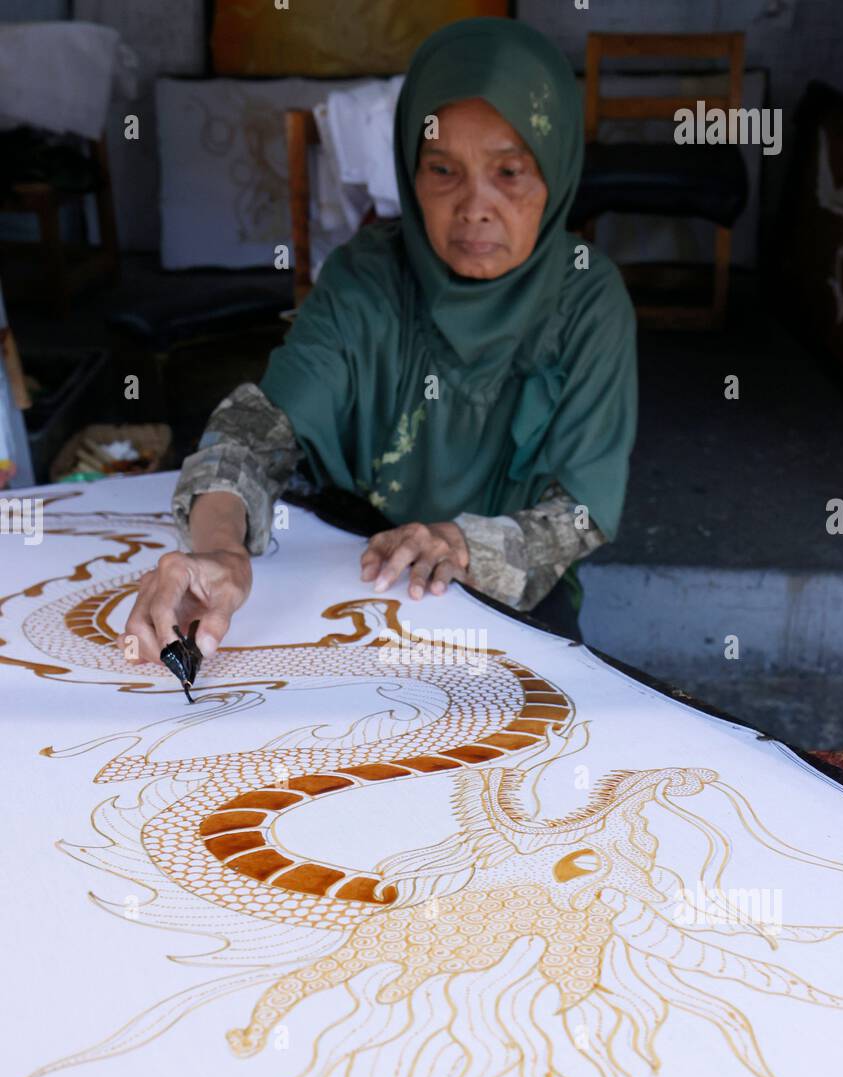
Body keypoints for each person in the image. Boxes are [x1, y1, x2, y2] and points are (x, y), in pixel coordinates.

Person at [120, 16, 637, 665]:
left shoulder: (589, 297)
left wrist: (460, 545)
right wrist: (220, 553)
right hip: (351, 565)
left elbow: (582, 512)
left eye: (510, 172)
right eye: (443, 170)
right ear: (410, 173)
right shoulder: (367, 277)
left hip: (505, 587)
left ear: (557, 172)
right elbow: (257, 434)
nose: (475, 206)